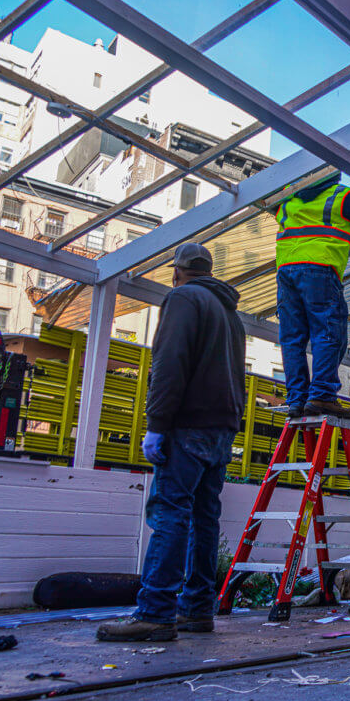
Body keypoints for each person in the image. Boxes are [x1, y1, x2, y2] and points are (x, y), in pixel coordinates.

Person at [98, 243, 245, 642]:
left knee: (170, 512)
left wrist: (157, 424)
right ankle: (198, 609)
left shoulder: (182, 298)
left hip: (189, 425)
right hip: (222, 428)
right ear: (209, 271)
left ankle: (156, 612)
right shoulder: (230, 313)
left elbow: (169, 363)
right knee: (204, 518)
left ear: (177, 271)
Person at [275, 174, 350, 417]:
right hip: (320, 267)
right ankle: (323, 395)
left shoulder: (287, 197)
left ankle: (297, 398)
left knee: (292, 339)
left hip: (286, 271)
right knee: (328, 332)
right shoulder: (341, 196)